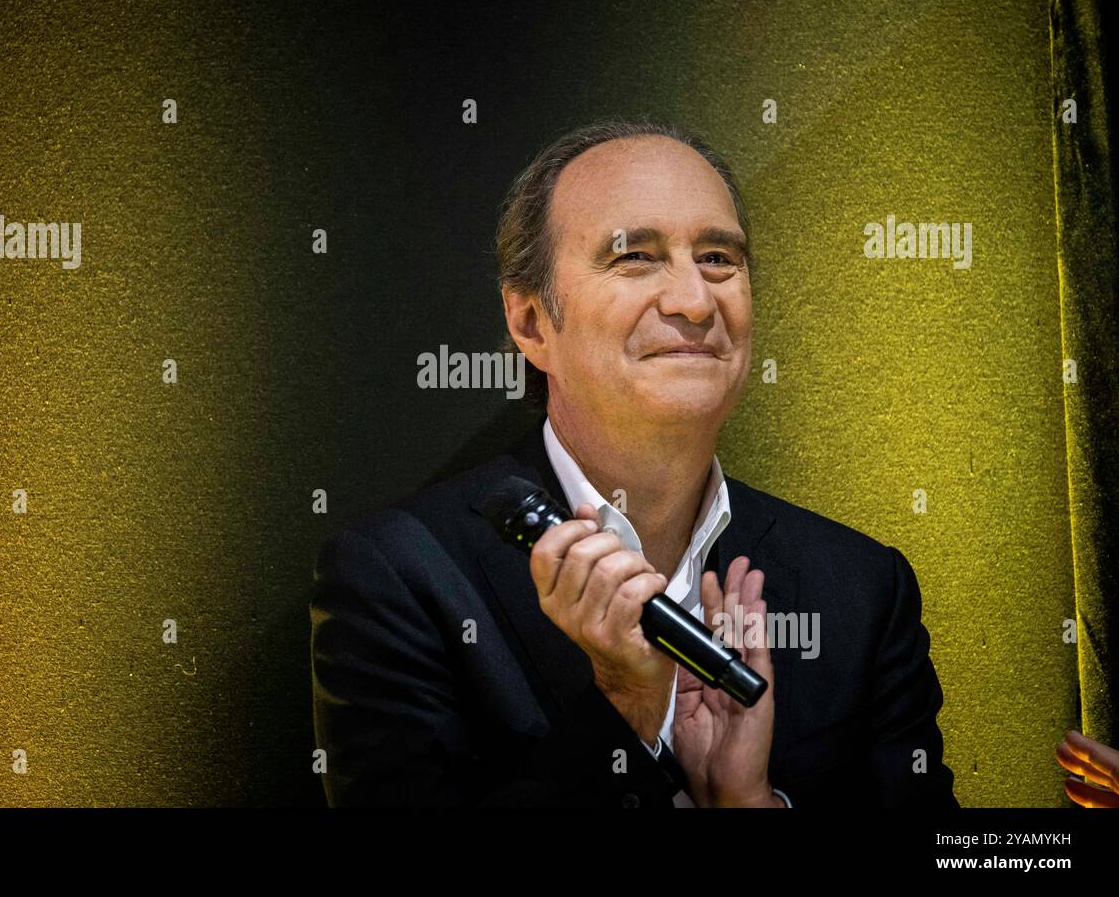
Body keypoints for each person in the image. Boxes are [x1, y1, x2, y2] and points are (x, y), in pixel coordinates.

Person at [309, 118, 960, 808]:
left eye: (717, 258)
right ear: (532, 323)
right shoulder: (402, 577)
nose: (693, 300)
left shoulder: (861, 587)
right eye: (635, 257)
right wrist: (622, 713)